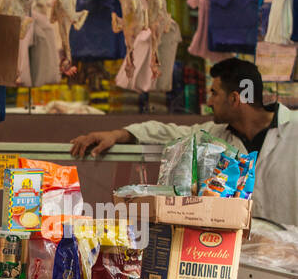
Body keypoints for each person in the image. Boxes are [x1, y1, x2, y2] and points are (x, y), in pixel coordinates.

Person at [68, 57, 298, 225]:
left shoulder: (294, 129)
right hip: (245, 252)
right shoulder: (215, 134)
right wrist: (118, 135)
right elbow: (165, 132)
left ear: (235, 98)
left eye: (214, 93)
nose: (209, 101)